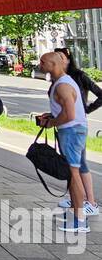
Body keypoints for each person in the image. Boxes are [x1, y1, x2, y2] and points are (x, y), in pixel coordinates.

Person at [38, 50, 91, 234]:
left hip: (71, 131)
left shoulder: (62, 85)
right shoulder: (64, 82)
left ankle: (80, 220)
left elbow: (70, 114)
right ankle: (77, 216)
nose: (40, 65)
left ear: (53, 64)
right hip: (72, 130)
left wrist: (52, 122)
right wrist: (52, 116)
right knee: (73, 173)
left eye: (43, 62)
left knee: (73, 174)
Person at [46, 48, 100, 219]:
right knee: (75, 167)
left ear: (66, 60)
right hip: (70, 126)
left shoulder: (72, 78)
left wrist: (86, 110)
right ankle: (77, 204)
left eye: (62, 57)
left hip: (72, 127)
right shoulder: (60, 79)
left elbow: (70, 112)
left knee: (77, 168)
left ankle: (87, 205)